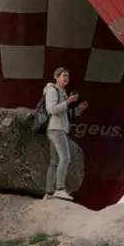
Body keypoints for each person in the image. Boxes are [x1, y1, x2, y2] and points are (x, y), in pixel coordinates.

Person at [43, 67, 88, 201]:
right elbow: (52, 109)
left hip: (56, 128)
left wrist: (78, 109)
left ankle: (49, 193)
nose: (66, 78)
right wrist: (68, 102)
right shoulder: (52, 90)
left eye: (68, 76)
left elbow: (63, 113)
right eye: (64, 75)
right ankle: (60, 189)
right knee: (66, 158)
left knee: (54, 161)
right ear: (57, 77)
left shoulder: (61, 92)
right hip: (56, 129)